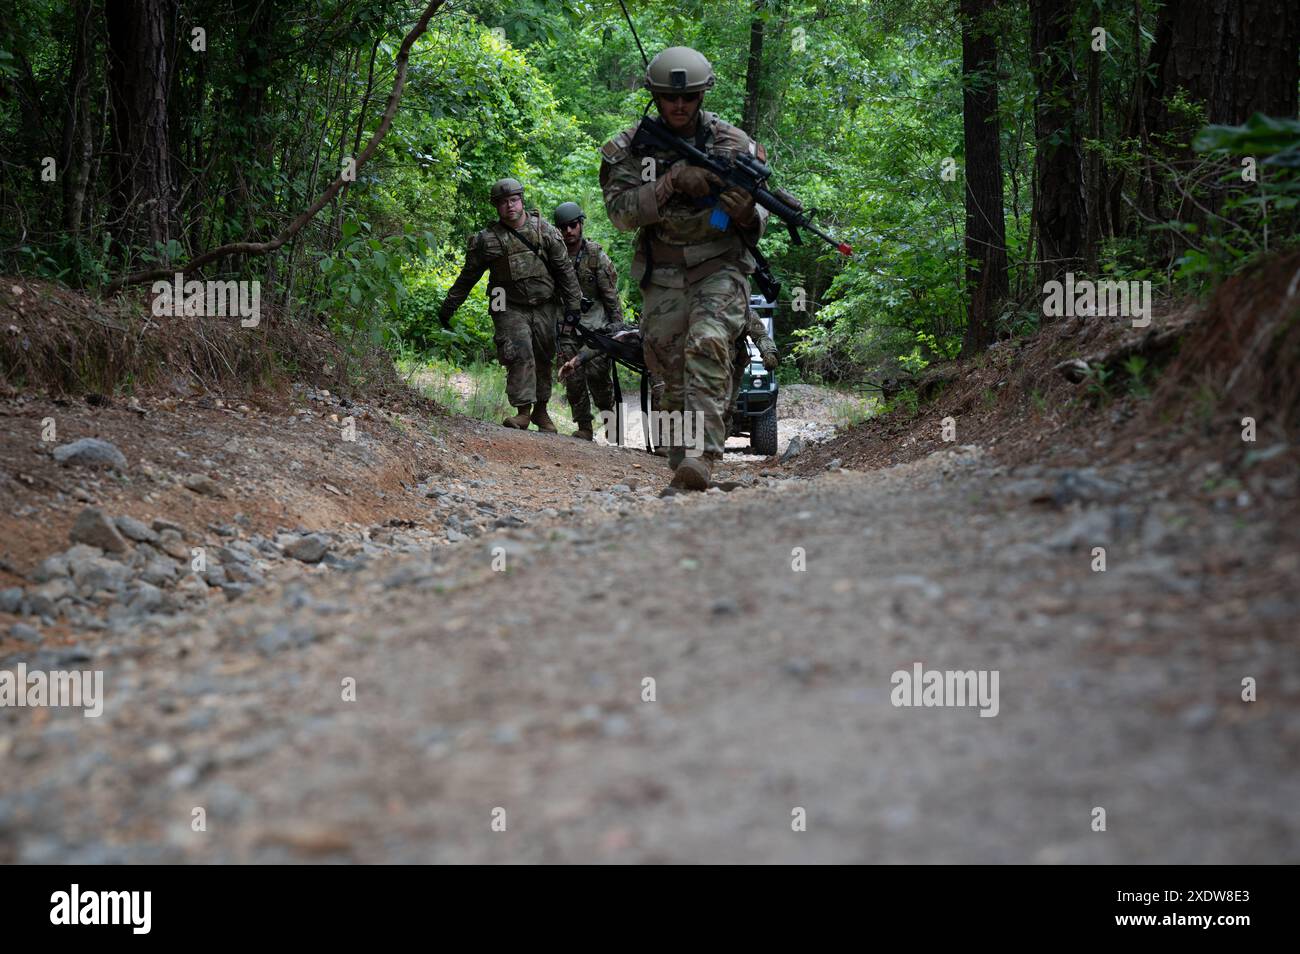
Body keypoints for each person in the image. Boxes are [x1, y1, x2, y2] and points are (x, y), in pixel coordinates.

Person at [599, 46, 769, 489]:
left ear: (703, 96)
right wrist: (672, 182)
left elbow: (764, 215)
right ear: (654, 96)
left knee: (708, 344)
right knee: (668, 372)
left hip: (721, 266)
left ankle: (703, 456)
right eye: (670, 98)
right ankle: (682, 461)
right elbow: (620, 214)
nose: (679, 106)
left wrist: (747, 213)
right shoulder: (630, 148)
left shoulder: (734, 143)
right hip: (664, 274)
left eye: (689, 98)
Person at [437, 178, 582, 431]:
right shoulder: (488, 240)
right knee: (519, 351)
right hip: (507, 303)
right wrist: (449, 306)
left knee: (544, 355)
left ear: (521, 201)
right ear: (496, 206)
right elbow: (468, 276)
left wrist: (573, 308)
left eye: (513, 200)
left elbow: (565, 272)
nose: (509, 206)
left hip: (545, 303)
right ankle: (523, 411)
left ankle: (541, 411)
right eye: (503, 202)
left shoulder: (544, 231)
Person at [551, 202, 625, 441]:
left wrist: (617, 329)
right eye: (563, 227)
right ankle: (584, 426)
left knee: (598, 378)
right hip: (567, 325)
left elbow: (611, 296)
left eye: (573, 225)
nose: (568, 231)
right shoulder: (555, 256)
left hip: (597, 326)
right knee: (571, 376)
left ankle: (612, 424)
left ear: (581, 224)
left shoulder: (595, 256)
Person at [722, 308, 779, 438]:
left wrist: (768, 352)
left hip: (732, 369)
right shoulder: (698, 308)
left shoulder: (743, 312)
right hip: (700, 365)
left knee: (726, 409)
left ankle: (713, 450)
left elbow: (761, 336)